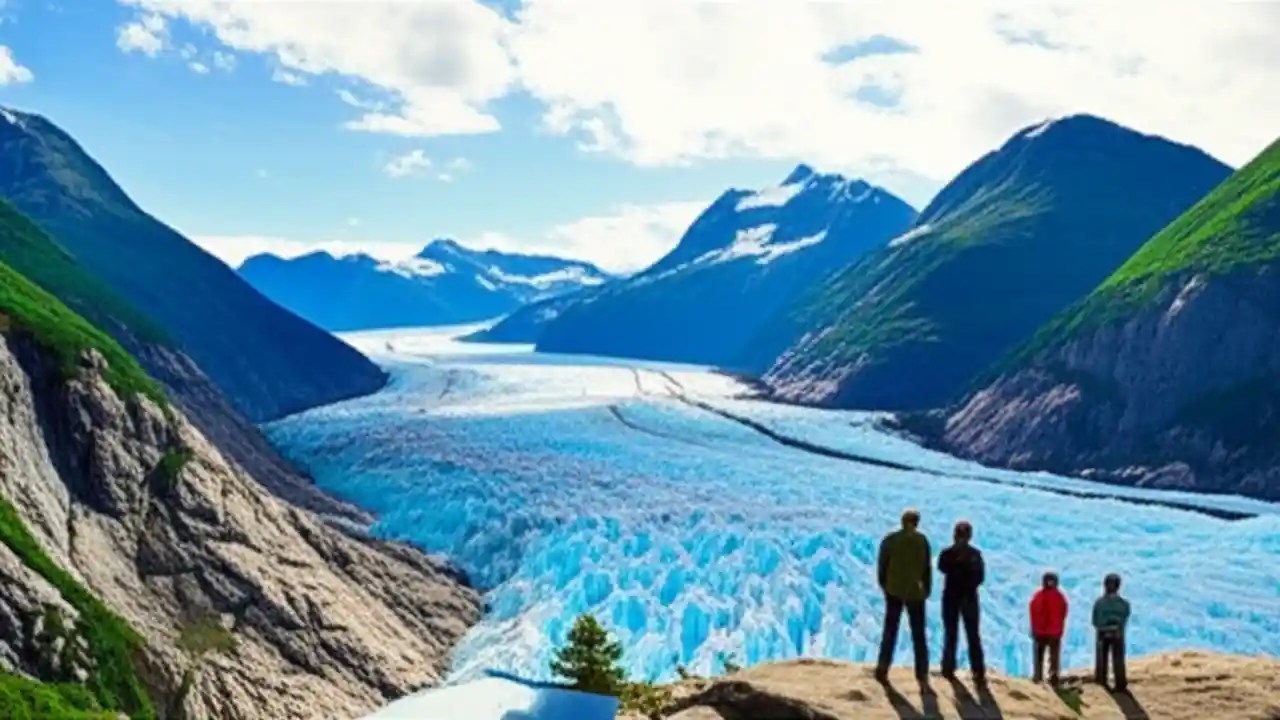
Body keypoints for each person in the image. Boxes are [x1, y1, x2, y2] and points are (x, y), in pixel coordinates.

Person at [875, 509, 932, 684]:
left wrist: (886, 587)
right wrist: (926, 590)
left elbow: (882, 567)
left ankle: (882, 670)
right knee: (919, 634)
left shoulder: (890, 540)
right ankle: (922, 674)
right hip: (915, 593)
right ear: (917, 523)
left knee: (890, 630)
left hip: (894, 591)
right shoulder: (922, 541)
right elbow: (926, 569)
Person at [937, 520, 985, 683]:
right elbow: (979, 577)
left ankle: (948, 667)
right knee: (972, 634)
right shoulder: (975, 555)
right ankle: (977, 670)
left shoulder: (948, 553)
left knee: (952, 633)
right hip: (969, 597)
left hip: (951, 596)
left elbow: (942, 567)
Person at [1092, 573, 1131, 692]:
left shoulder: (1099, 603)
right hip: (1117, 632)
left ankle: (1101, 680)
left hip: (1102, 632)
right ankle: (1120, 683)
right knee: (1118, 658)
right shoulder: (1123, 603)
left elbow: (1095, 620)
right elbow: (1125, 615)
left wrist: (1103, 626)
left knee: (1101, 657)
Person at [1029, 571, 1069, 685]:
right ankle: (1054, 676)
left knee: (1039, 656)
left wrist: (1035, 629)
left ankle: (1038, 676)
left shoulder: (1038, 596)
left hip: (1040, 633)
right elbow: (1063, 612)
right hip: (1055, 632)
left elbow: (1033, 613)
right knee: (1054, 656)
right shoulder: (1060, 597)